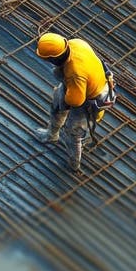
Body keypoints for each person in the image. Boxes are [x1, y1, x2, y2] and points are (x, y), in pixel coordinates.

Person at [34, 33, 116, 172]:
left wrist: (66, 101)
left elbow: (76, 101)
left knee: (72, 133)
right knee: (56, 106)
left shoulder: (75, 73)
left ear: (54, 58)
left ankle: (74, 165)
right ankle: (51, 135)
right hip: (78, 86)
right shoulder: (77, 43)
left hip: (92, 97)